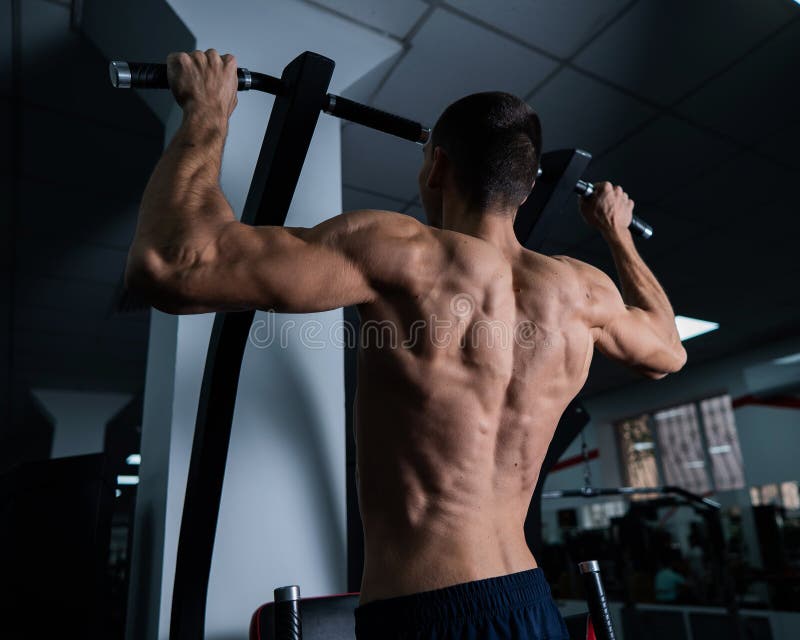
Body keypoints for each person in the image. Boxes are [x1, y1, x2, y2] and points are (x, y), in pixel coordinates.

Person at [125, 50, 687, 639]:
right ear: (523, 191)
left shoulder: (405, 253)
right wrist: (618, 236)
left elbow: (171, 264)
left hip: (423, 613)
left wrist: (207, 111)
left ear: (438, 166)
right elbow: (669, 351)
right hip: (529, 604)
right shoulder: (582, 292)